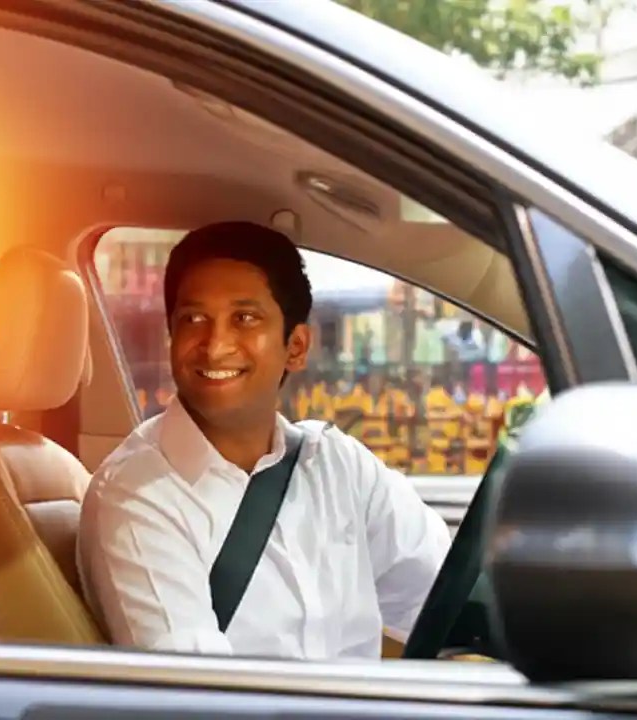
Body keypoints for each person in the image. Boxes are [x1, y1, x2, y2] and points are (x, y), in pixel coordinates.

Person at [78, 221, 450, 660]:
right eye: (193, 319)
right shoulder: (137, 497)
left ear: (296, 346)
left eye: (244, 318)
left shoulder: (338, 465)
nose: (215, 346)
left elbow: (445, 598)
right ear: (172, 336)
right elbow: (196, 691)